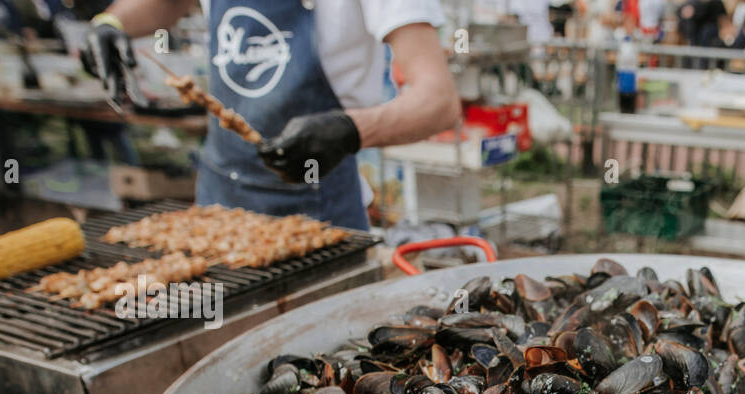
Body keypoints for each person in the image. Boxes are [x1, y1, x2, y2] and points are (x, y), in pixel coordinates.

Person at [80, 0, 460, 230]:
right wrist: (111, 23)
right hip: (218, 201)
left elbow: (438, 100)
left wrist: (349, 129)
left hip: (320, 211)